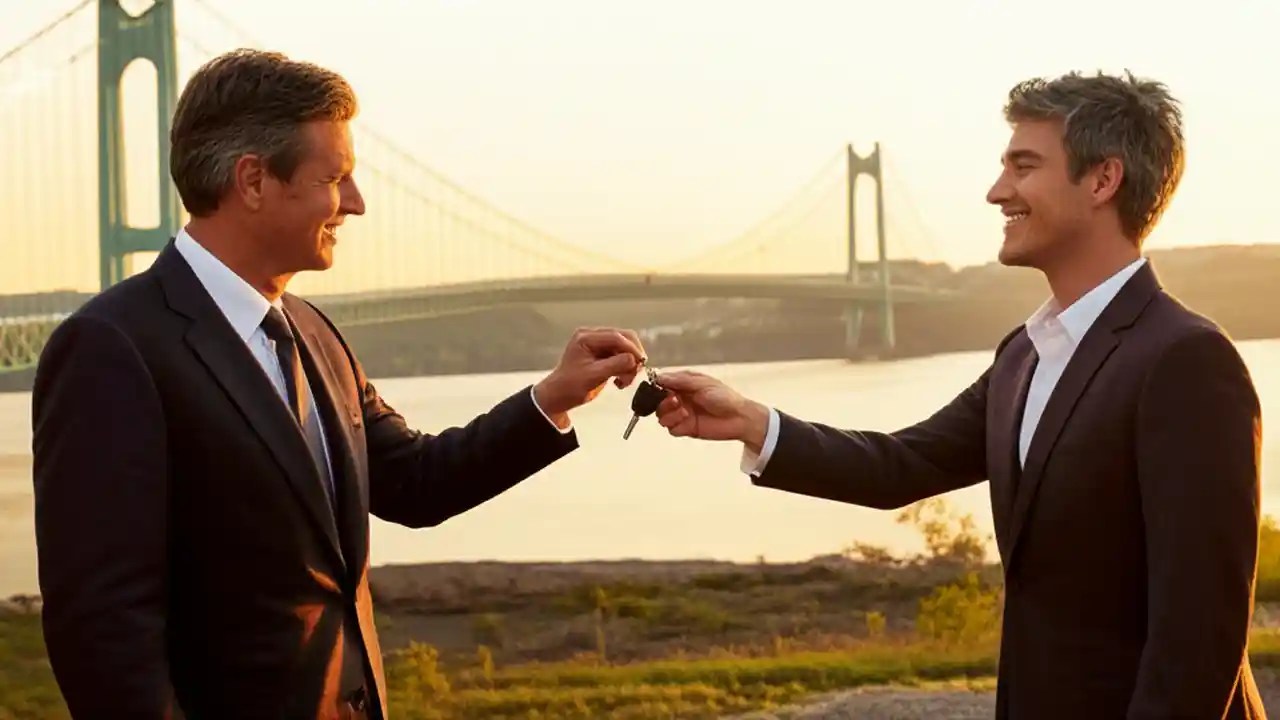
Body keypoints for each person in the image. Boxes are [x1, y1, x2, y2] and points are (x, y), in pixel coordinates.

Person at [31, 49, 646, 720]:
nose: (354, 203)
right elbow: (102, 630)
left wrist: (553, 399)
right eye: (337, 179)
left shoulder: (314, 331)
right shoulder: (111, 348)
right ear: (254, 180)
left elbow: (415, 482)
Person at [654, 71, 1265, 719]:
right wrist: (751, 421)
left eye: (1023, 167)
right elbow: (900, 465)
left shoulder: (1186, 360)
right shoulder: (1023, 356)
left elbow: (1199, 635)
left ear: (1102, 180)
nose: (997, 191)